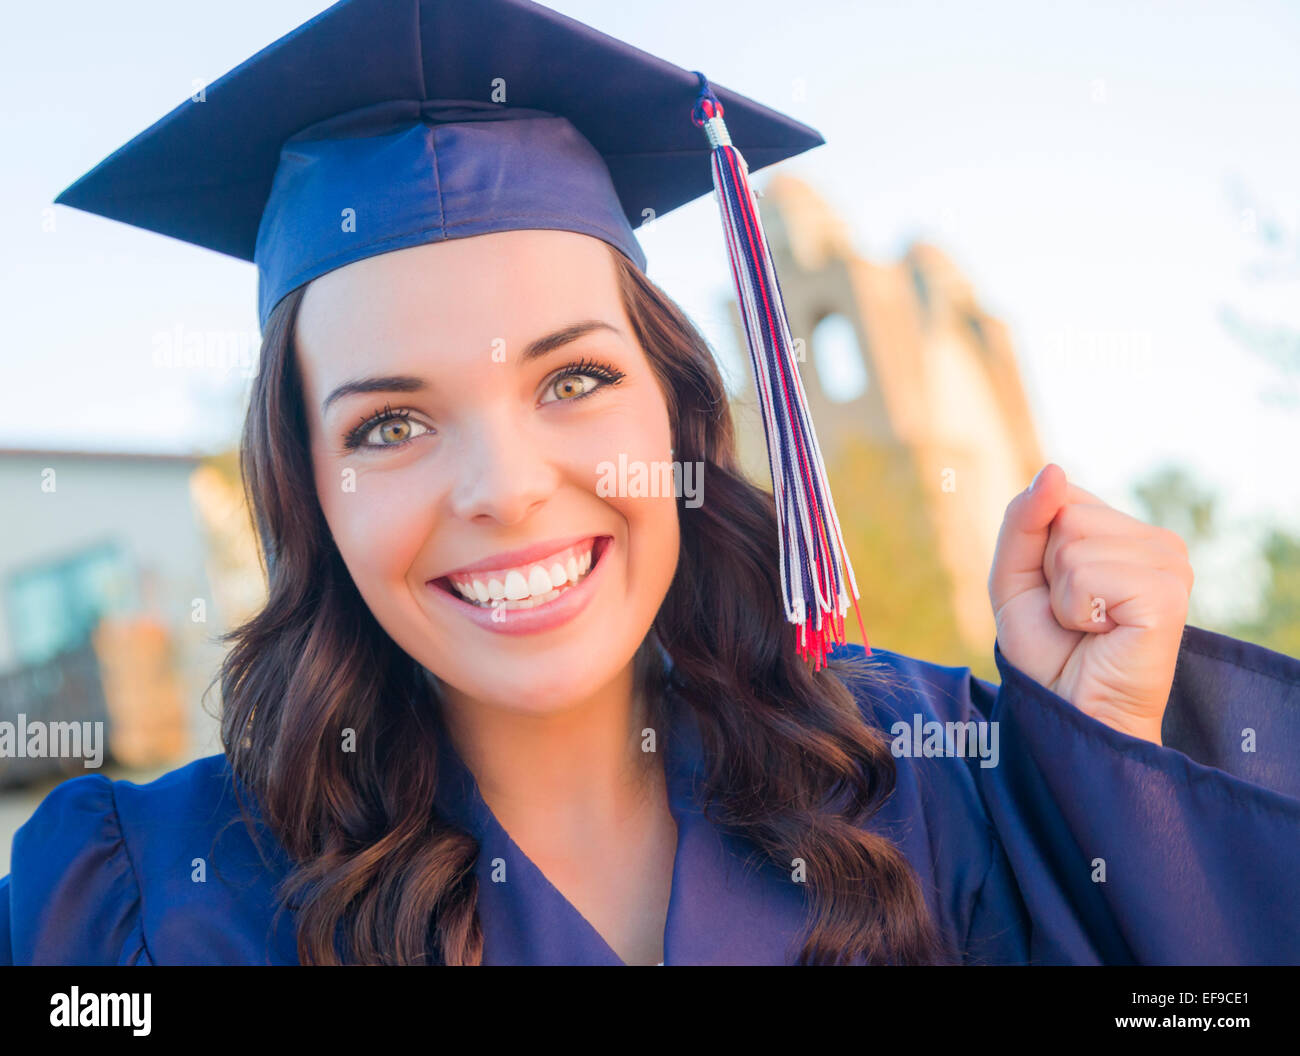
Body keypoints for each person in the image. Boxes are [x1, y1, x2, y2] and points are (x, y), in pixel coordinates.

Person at [2, 0, 1298, 966]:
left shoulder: (934, 780)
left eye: (571, 382)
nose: (506, 488)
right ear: (310, 491)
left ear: (678, 406)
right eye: (391, 423)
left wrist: (1114, 782)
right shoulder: (149, 904)